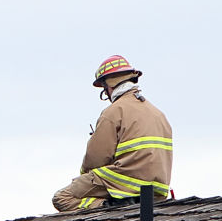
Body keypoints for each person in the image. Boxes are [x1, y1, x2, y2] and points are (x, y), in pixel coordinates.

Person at [52, 55, 173, 211]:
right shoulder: (158, 114)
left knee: (62, 197)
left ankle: (107, 207)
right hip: (157, 190)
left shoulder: (114, 111)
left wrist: (84, 177)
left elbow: (95, 159)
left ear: (108, 85)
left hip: (124, 182)